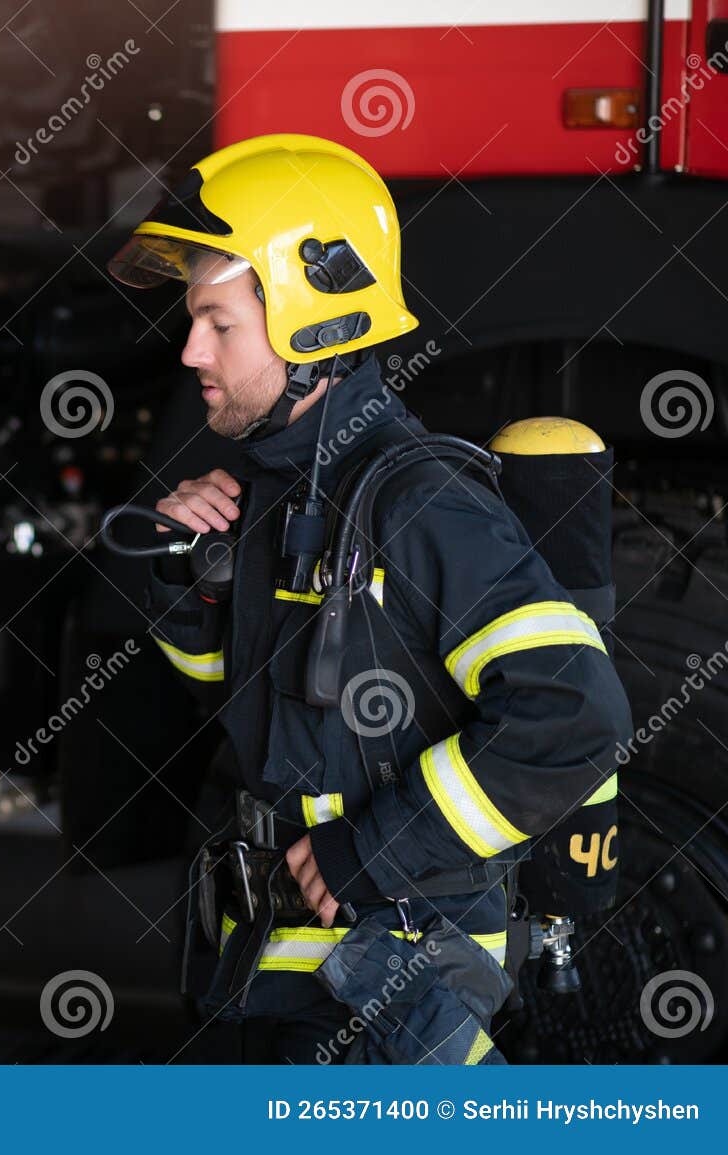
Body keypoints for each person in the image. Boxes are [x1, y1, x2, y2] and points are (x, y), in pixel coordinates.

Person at [109, 133, 631, 1063]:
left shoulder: (423, 503)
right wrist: (189, 580)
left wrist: (374, 849)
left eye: (219, 323)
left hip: (392, 986)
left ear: (315, 327)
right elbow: (242, 708)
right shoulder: (277, 493)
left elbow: (573, 712)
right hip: (272, 972)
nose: (191, 349)